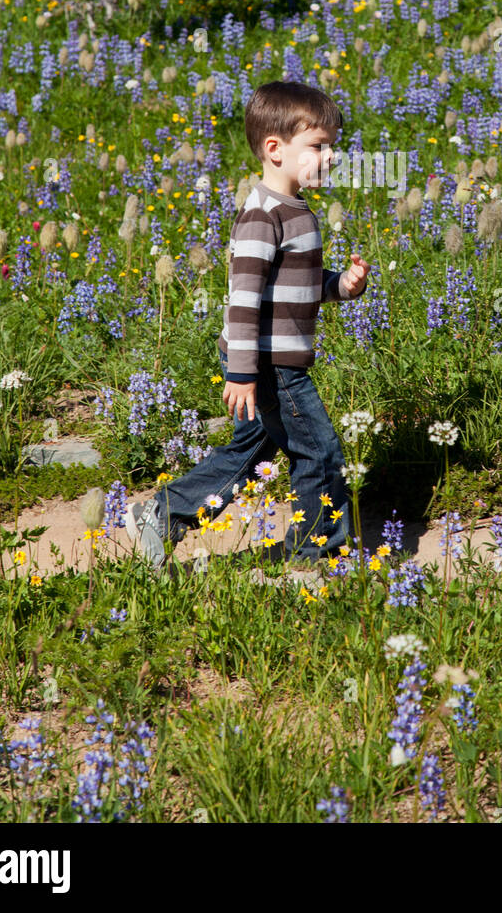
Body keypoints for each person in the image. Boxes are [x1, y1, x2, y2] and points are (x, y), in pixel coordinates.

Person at [125, 79, 371, 580]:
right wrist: (242, 372)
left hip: (267, 359)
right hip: (266, 362)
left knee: (251, 449)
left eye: (333, 147)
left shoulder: (296, 210)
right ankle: (318, 558)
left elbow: (293, 286)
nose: (331, 157)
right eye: (319, 147)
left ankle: (164, 513)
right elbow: (243, 299)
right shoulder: (263, 215)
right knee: (318, 451)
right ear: (275, 149)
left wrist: (340, 286)